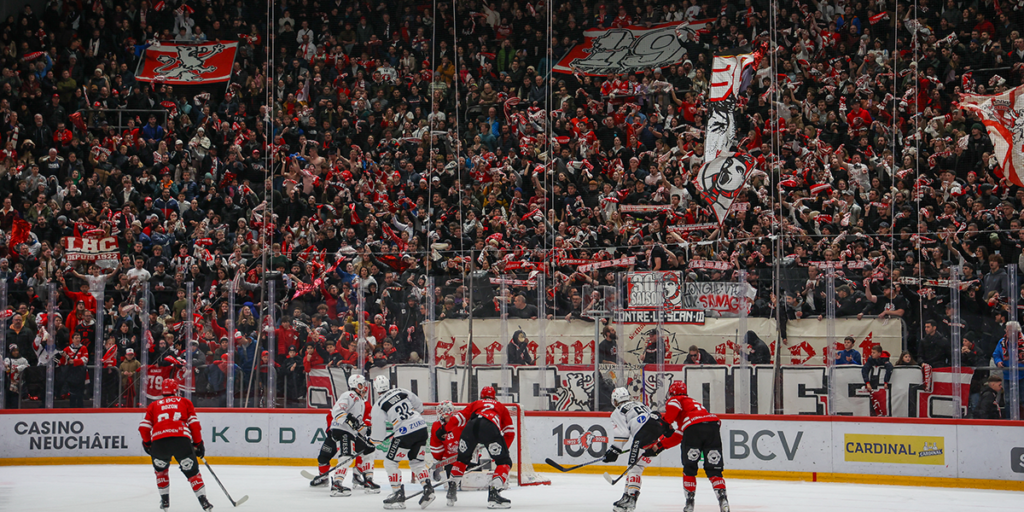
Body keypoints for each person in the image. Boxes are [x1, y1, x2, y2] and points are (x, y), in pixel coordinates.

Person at [644, 381, 729, 512]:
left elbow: (673, 412)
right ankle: (723, 500)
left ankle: (689, 503)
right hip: (712, 426)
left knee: (689, 468)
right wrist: (659, 446)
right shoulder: (692, 405)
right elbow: (680, 434)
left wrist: (665, 423)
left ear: (672, 393)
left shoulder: (675, 400)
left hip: (693, 429)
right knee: (714, 469)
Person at [139, 378, 212, 511]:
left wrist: (147, 443)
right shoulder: (185, 402)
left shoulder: (154, 405)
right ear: (177, 390)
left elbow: (143, 428)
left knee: (161, 472)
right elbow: (195, 425)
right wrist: (198, 444)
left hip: (159, 443)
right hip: (181, 441)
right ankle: (204, 502)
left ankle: (165, 502)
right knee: (193, 474)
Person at [445, 386, 514, 509]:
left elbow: (457, 418)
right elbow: (509, 432)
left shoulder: (475, 403)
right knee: (504, 462)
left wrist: (444, 430)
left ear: (481, 396)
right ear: (494, 396)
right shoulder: (500, 406)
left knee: (461, 460)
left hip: (470, 427)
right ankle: (494, 493)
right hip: (489, 426)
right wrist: (501, 453)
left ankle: (452, 488)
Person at [371, 375, 434, 508]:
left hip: (405, 434)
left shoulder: (379, 404)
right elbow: (419, 406)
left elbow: (378, 432)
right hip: (421, 428)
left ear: (376, 388)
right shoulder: (402, 391)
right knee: (417, 462)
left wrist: (374, 441)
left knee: (390, 462)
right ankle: (427, 488)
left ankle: (397, 493)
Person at [310, 374, 375, 494]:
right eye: (361, 384)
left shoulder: (361, 401)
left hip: (348, 432)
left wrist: (366, 429)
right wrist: (348, 419)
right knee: (335, 456)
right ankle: (334, 482)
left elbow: (357, 424)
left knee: (367, 450)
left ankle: (364, 479)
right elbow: (338, 411)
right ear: (355, 385)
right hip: (341, 430)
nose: (364, 387)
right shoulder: (349, 395)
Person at [604, 387, 662, 512]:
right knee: (635, 467)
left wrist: (614, 451)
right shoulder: (639, 404)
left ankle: (631, 499)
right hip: (659, 432)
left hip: (644, 434)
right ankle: (626, 497)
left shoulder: (619, 410)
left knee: (634, 468)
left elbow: (623, 433)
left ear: (615, 400)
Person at [429, 400, 460, 484]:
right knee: (452, 483)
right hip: (450, 460)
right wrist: (438, 462)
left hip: (466, 458)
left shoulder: (461, 422)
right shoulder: (437, 426)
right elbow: (436, 445)